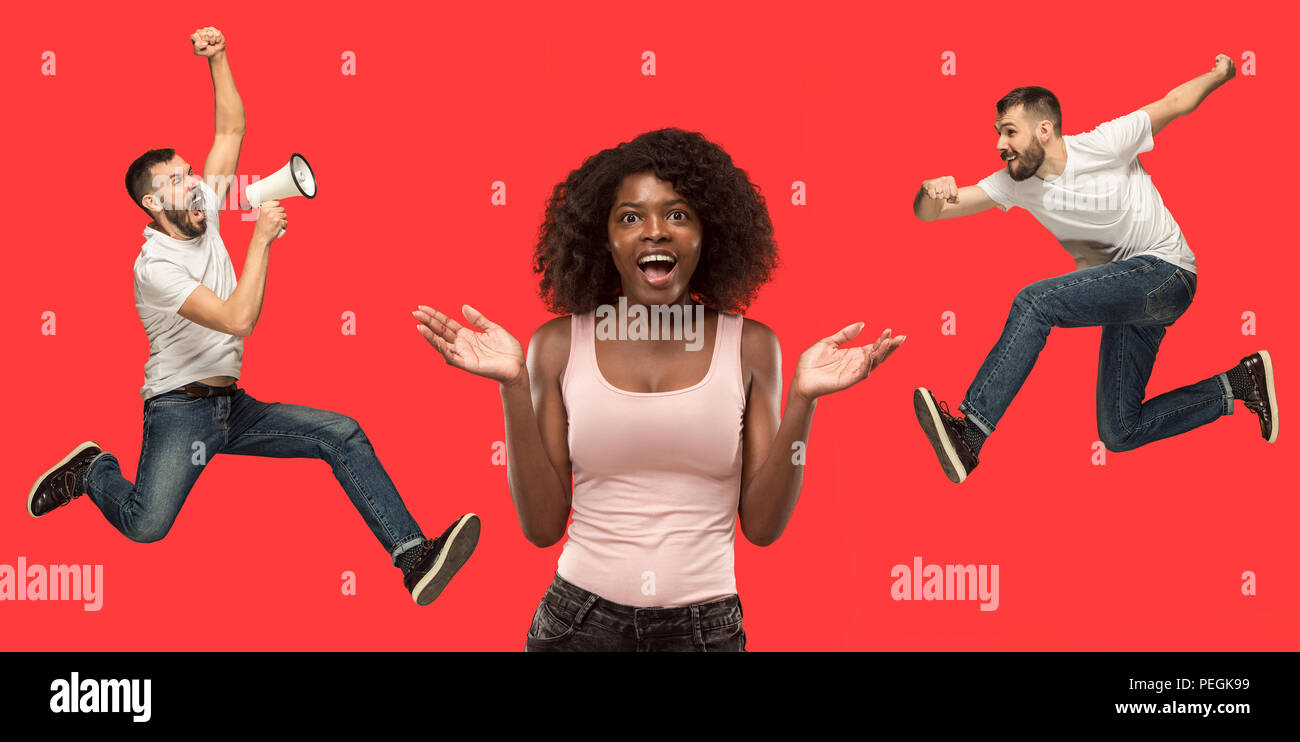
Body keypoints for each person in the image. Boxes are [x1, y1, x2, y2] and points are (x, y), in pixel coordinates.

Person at [27, 26, 479, 606]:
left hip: (232, 406)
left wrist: (218, 58)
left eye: (190, 173)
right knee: (147, 526)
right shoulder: (154, 267)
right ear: (150, 203)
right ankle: (92, 470)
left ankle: (411, 555)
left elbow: (231, 127)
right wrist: (261, 240)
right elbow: (239, 320)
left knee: (341, 434)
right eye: (175, 182)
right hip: (178, 412)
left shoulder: (203, 206)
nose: (192, 185)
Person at [415, 128, 904, 651]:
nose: (656, 232)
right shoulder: (557, 345)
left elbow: (761, 528)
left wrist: (803, 400)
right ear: (603, 238)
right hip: (577, 624)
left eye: (677, 214)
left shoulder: (752, 346)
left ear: (707, 232)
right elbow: (541, 528)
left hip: (705, 629)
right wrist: (512, 386)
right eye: (631, 217)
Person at [910, 54, 1278, 484]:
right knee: (1120, 431)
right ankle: (1238, 384)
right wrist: (929, 191)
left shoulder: (1105, 143)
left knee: (1034, 303)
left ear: (1044, 129)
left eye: (1009, 132)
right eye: (997, 134)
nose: (999, 144)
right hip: (1129, 300)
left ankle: (970, 434)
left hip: (1166, 273)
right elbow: (930, 214)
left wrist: (1220, 74)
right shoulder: (1015, 183)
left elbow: (1175, 102)